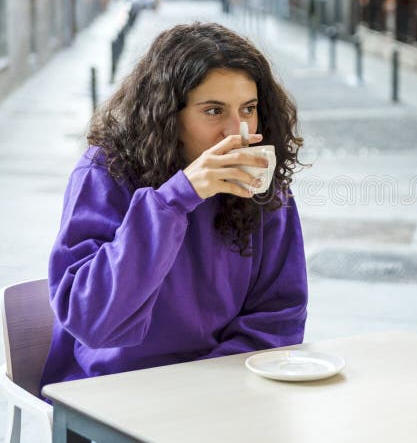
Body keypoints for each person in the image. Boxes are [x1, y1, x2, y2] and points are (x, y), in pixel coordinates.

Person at [40, 22, 307, 389]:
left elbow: (279, 317)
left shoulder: (259, 184)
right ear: (167, 115)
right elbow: (91, 321)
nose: (237, 131)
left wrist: (202, 387)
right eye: (213, 111)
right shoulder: (106, 171)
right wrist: (177, 198)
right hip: (111, 392)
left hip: (222, 392)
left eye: (248, 109)